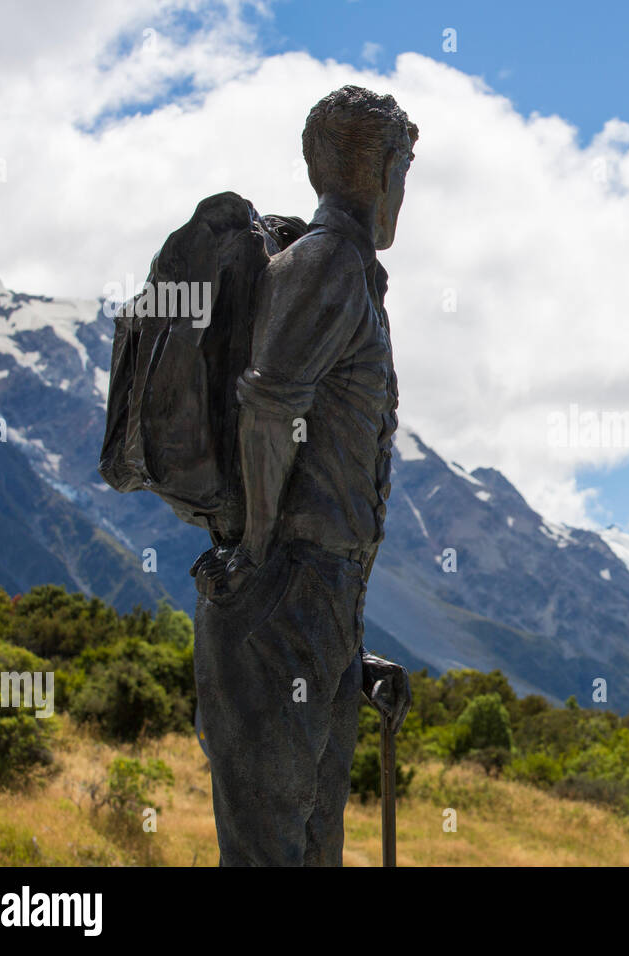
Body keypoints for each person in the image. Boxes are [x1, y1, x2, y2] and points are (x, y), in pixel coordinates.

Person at [189, 86, 417, 866]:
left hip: (317, 601)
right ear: (384, 169)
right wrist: (255, 553)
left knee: (312, 847)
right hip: (285, 590)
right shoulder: (326, 264)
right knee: (268, 852)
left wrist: (348, 654)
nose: (404, 189)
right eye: (404, 165)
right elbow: (268, 403)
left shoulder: (346, 270)